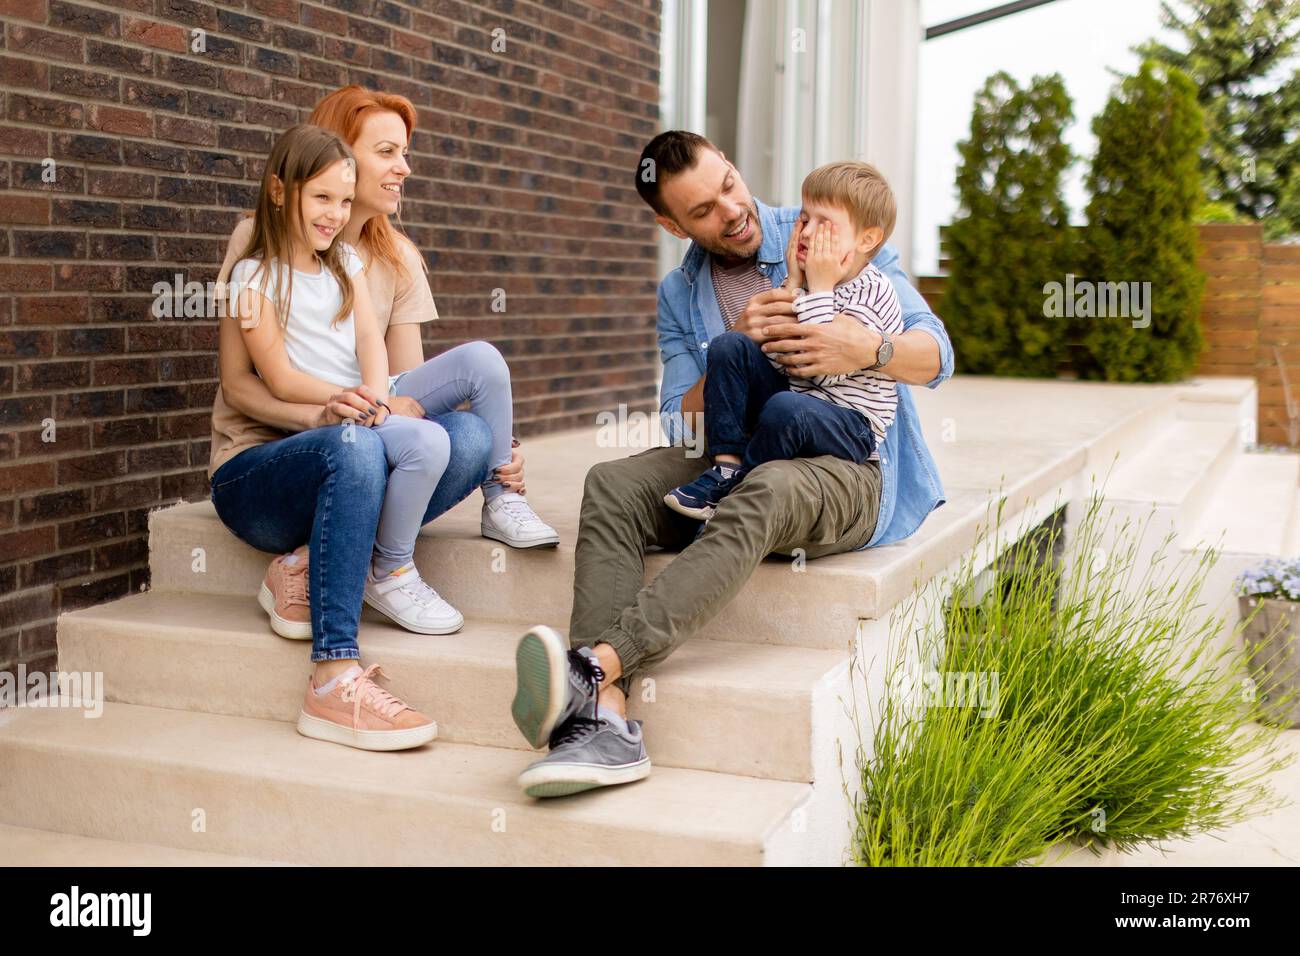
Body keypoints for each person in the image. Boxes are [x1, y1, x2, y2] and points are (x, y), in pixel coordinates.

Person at [507, 131, 954, 797]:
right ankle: (605, 720)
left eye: (729, 185)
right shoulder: (681, 293)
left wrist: (866, 348)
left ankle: (598, 665)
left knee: (768, 483)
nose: (732, 210)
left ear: (733, 164)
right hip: (732, 458)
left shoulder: (825, 227)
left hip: (842, 464)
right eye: (704, 210)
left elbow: (936, 356)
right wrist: (735, 340)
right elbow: (678, 420)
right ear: (670, 224)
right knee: (613, 482)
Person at [207, 86, 553, 752]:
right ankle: (336, 669)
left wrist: (482, 446)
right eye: (385, 152)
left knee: (472, 437)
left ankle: (375, 546)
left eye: (405, 153)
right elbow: (250, 385)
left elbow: (401, 388)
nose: (402, 169)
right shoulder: (255, 252)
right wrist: (333, 411)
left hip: (361, 429)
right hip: (271, 466)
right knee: (361, 449)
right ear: (333, 159)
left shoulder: (384, 260)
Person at [664, 160, 905, 521]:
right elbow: (776, 355)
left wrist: (819, 287)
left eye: (825, 225)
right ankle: (726, 467)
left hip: (850, 425)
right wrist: (793, 284)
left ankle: (740, 490)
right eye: (805, 219)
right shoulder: (805, 280)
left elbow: (820, 370)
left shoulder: (873, 291)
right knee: (728, 346)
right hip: (798, 400)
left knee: (783, 408)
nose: (807, 233)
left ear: (866, 239)